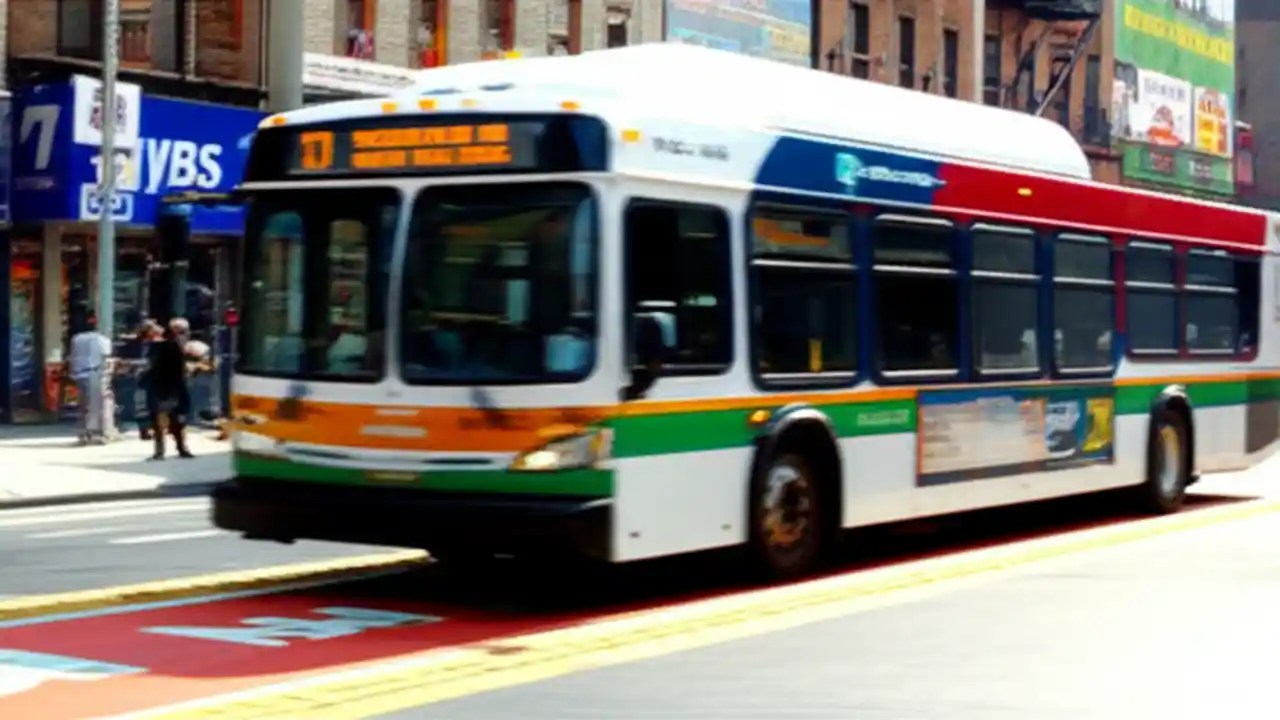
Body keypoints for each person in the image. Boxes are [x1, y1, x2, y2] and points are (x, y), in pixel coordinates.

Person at [146, 324, 193, 460]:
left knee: (172, 420)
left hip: (168, 388)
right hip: (167, 388)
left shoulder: (167, 348)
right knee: (172, 420)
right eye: (181, 332)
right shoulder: (168, 348)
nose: (184, 335)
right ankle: (176, 449)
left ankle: (166, 450)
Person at [67, 312, 114, 445]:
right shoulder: (102, 339)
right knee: (96, 404)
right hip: (95, 373)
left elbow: (73, 356)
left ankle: (83, 432)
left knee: (83, 404)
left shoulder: (76, 339)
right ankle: (95, 433)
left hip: (80, 374)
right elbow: (106, 356)